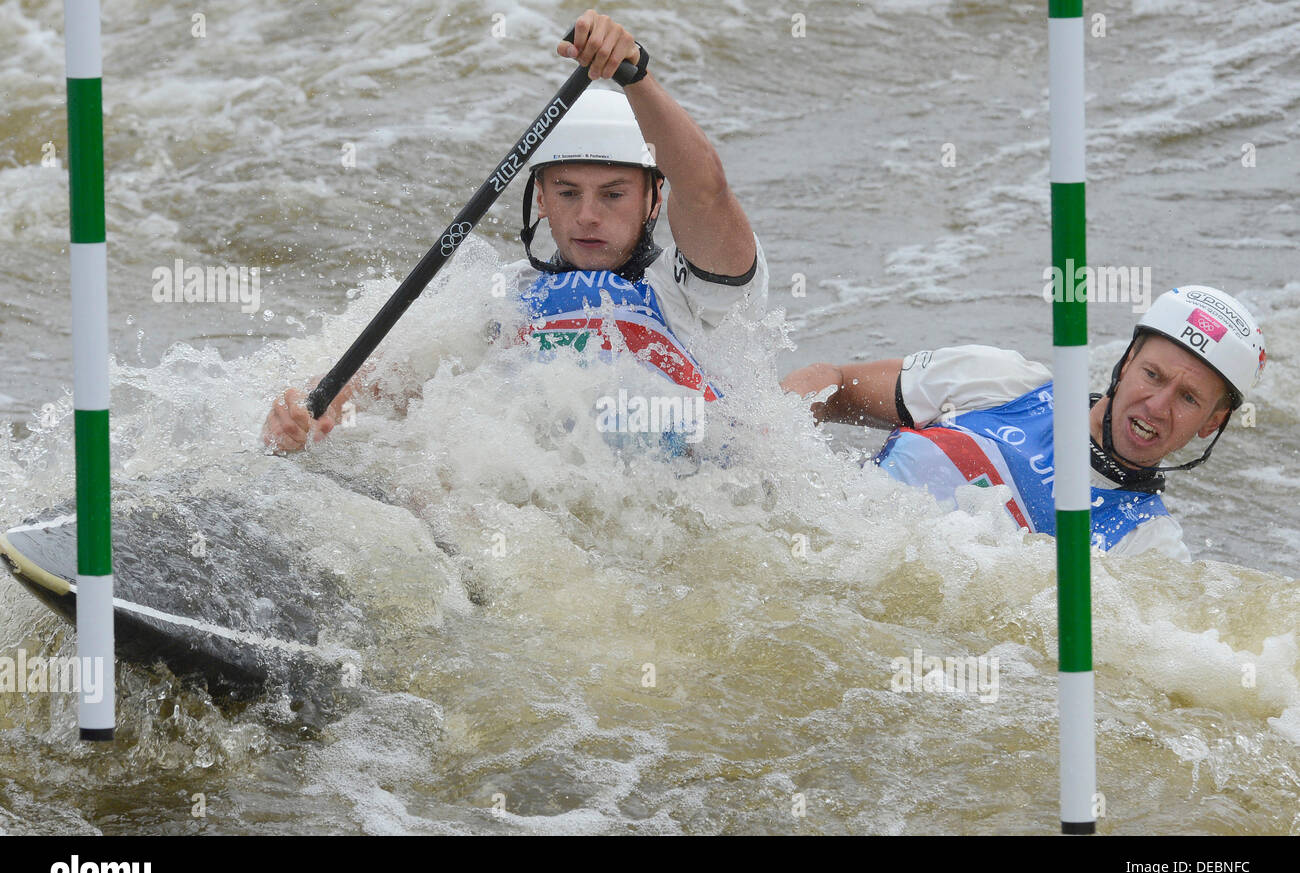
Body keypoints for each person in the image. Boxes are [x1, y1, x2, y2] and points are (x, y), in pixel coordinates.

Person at [263, 9, 766, 452]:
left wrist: (637, 77)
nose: (588, 215)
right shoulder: (504, 298)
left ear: (655, 198)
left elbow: (705, 190)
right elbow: (387, 388)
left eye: (613, 194)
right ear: (541, 199)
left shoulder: (694, 290)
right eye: (568, 193)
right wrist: (313, 411)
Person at [781, 286, 1267, 561]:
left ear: (1212, 423)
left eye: (1187, 398)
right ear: (1125, 361)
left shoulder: (1148, 547)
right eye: (1152, 374)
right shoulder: (1000, 380)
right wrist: (768, 436)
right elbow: (830, 383)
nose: (1156, 406)